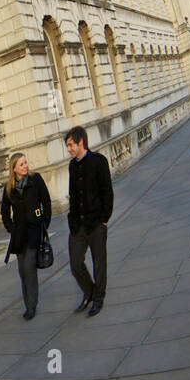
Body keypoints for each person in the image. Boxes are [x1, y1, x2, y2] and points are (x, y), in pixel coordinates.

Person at [65, 126, 113, 316]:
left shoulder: (98, 161)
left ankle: (98, 299)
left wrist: (104, 219)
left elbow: (107, 191)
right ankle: (89, 292)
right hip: (78, 225)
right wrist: (72, 221)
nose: (68, 149)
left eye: (71, 145)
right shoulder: (72, 165)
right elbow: (73, 195)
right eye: (67, 145)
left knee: (99, 262)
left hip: (97, 223)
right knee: (76, 263)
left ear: (81, 142)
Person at [0, 152, 51, 320]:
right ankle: (28, 302)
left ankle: (31, 305)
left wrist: (44, 223)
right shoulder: (9, 187)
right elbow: (4, 211)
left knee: (29, 268)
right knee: (22, 270)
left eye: (25, 163)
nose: (25, 166)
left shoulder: (35, 179)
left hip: (34, 230)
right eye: (21, 164)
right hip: (19, 234)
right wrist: (11, 228)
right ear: (14, 168)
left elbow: (46, 201)